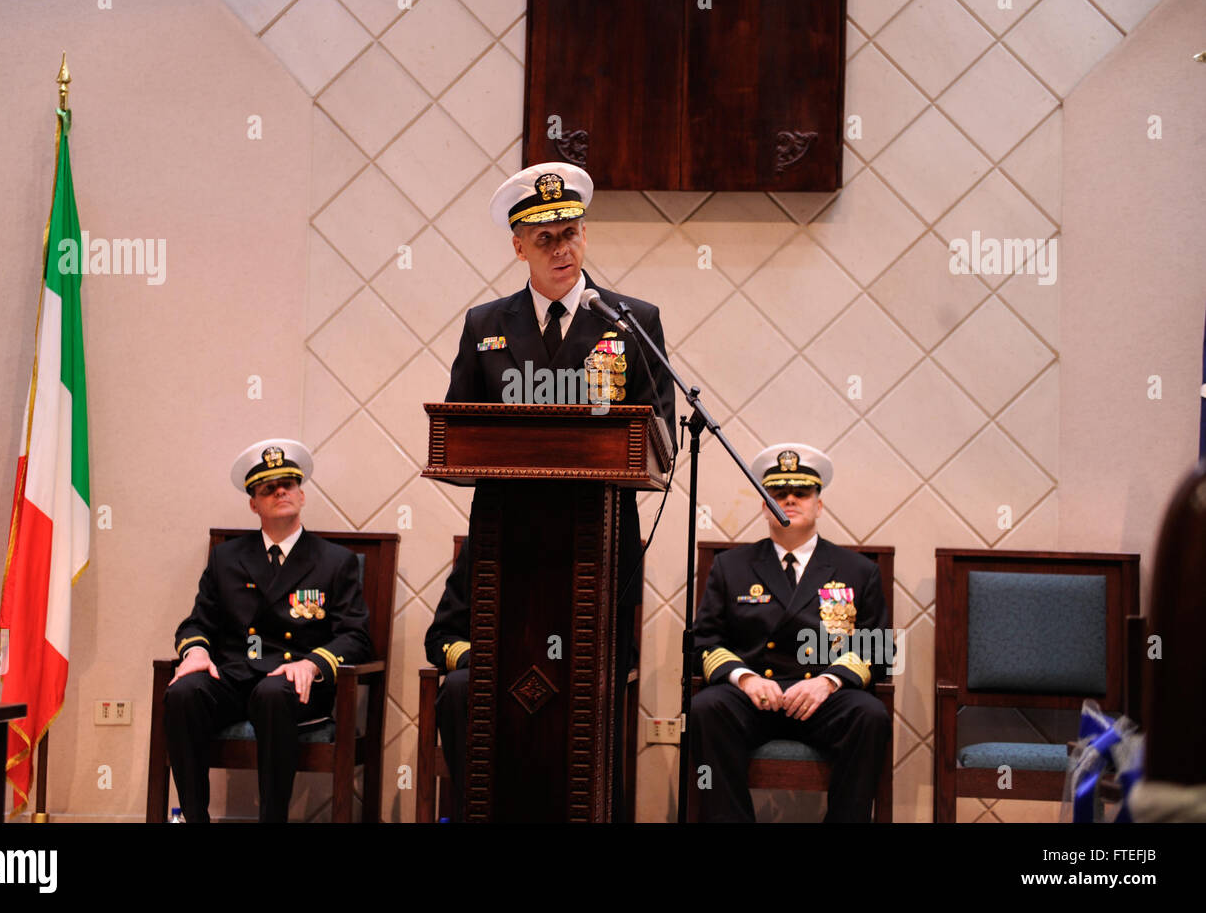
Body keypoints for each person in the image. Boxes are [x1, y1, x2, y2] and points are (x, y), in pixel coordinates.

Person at [425, 162, 676, 817]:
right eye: (545, 239)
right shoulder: (487, 324)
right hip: (510, 547)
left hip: (596, 549)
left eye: (571, 233)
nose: (562, 248)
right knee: (501, 697)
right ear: (518, 246)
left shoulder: (631, 319)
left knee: (587, 702)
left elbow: (663, 436)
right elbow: (459, 427)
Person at [164, 439, 371, 822]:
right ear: (253, 504)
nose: (280, 491)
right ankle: (194, 817)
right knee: (182, 693)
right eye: (268, 488)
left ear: (302, 495)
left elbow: (356, 636)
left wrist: (312, 664)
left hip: (293, 685)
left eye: (288, 484)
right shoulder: (227, 557)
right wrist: (195, 651)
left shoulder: (333, 561)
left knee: (274, 693)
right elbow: (197, 622)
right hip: (235, 677)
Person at [690, 443, 891, 822]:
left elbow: (876, 647)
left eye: (802, 493)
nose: (791, 500)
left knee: (871, 716)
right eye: (778, 494)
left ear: (820, 504)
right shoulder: (731, 566)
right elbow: (706, 641)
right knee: (705, 708)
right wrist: (746, 679)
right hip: (753, 699)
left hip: (822, 699)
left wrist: (828, 682)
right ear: (764, 506)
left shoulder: (857, 569)